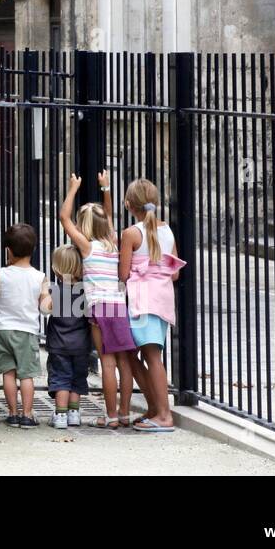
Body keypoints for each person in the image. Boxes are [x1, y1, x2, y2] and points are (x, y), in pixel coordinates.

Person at [59, 171, 135, 429]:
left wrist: (72, 189)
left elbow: (63, 218)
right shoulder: (113, 241)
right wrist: (106, 188)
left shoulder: (87, 246)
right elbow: (110, 215)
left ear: (86, 226)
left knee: (107, 360)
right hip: (118, 306)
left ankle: (111, 415)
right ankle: (125, 414)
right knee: (124, 361)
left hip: (99, 308)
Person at [118, 178, 185, 432]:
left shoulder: (131, 234)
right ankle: (155, 407)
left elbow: (123, 274)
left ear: (128, 204)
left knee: (151, 356)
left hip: (142, 301)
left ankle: (164, 415)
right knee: (135, 353)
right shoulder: (166, 230)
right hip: (162, 298)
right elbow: (175, 272)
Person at [0, 223, 46, 428]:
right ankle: (27, 414)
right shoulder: (39, 277)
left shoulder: (2, 273)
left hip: (3, 329)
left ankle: (12, 413)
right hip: (26, 331)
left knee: (9, 373)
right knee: (27, 375)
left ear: (8, 250)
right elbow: (45, 304)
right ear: (33, 250)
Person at [41, 244, 91, 430]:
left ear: (56, 269)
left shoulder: (55, 291)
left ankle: (60, 414)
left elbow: (44, 309)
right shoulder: (85, 291)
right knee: (77, 379)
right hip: (81, 345)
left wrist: (44, 290)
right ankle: (74, 413)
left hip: (59, 345)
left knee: (61, 378)